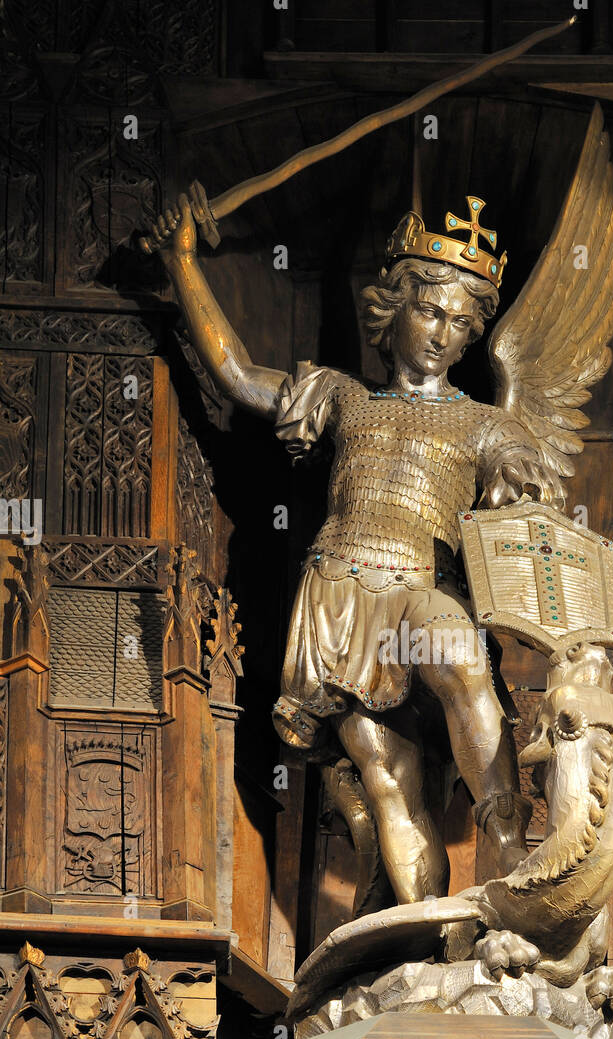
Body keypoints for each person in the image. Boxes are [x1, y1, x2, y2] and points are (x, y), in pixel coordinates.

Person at [148, 188, 564, 902]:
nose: (442, 334)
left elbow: (523, 479)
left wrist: (520, 482)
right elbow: (238, 376)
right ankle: (426, 931)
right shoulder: (343, 397)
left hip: (419, 583)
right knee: (388, 779)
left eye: (460, 324)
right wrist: (183, 262)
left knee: (460, 656)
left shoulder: (488, 425)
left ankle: (512, 843)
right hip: (337, 592)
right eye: (429, 311)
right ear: (393, 307)